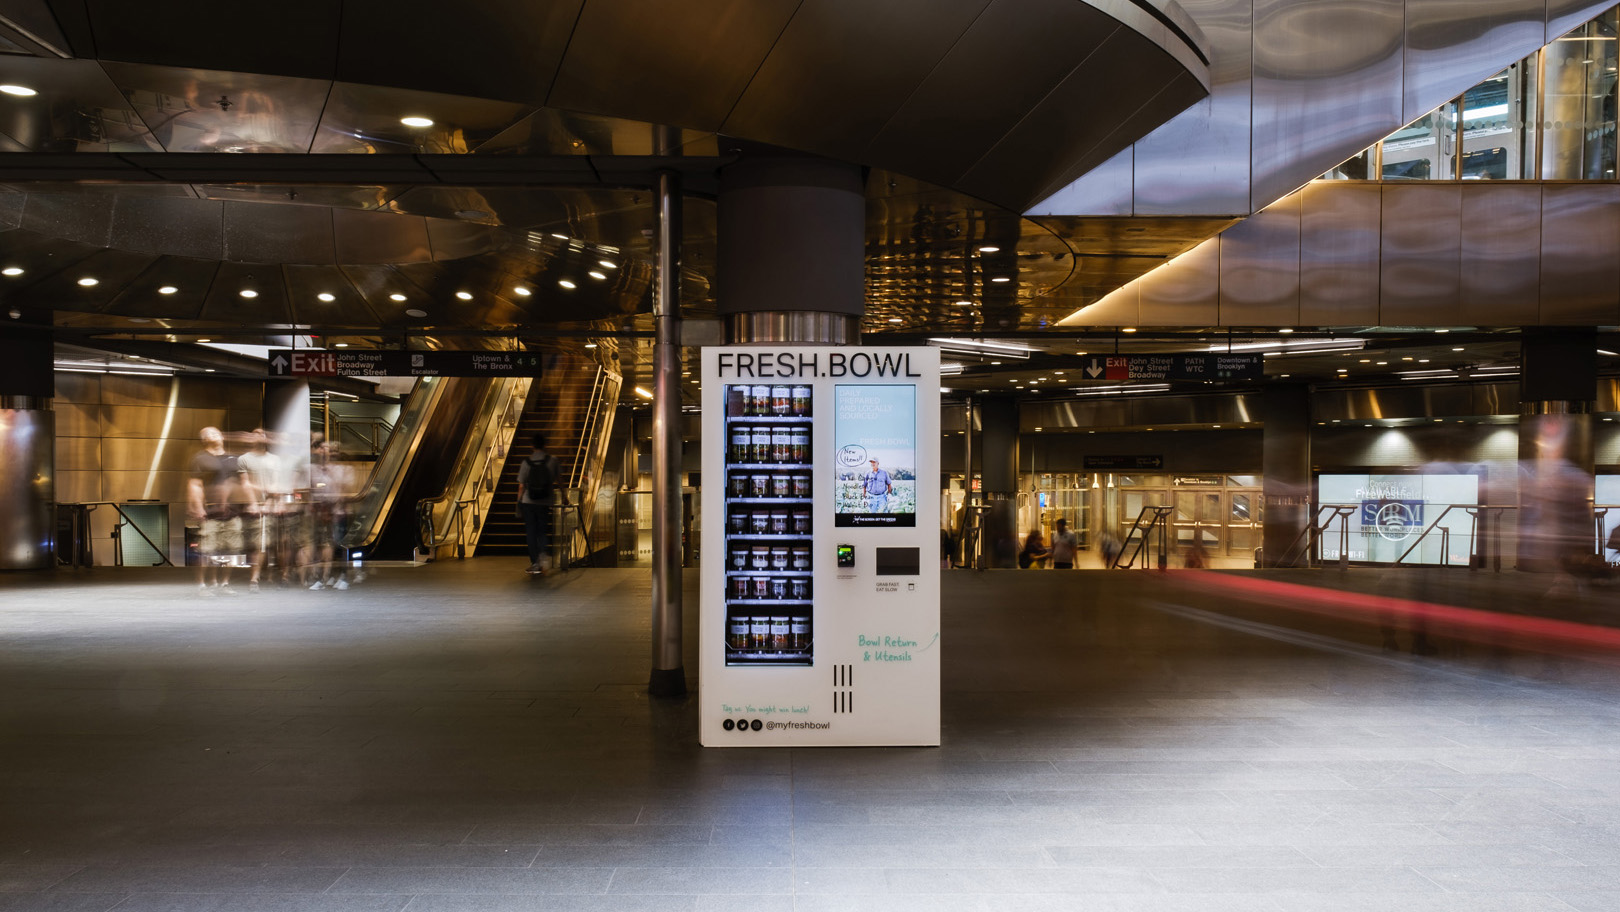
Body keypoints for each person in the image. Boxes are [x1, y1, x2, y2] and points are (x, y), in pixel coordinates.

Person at [187, 426, 244, 596]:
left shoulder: (234, 458)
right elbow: (194, 484)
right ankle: (202, 586)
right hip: (210, 513)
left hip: (232, 513)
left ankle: (224, 584)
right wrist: (197, 507)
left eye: (217, 432)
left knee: (231, 549)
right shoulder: (200, 458)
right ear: (204, 439)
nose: (215, 434)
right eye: (210, 433)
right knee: (206, 550)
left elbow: (242, 483)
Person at [236, 428, 284, 592]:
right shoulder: (244, 459)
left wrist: (274, 501)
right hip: (253, 507)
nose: (260, 436)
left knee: (268, 543)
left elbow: (276, 484)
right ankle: (257, 576)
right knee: (256, 543)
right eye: (256, 433)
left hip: (270, 506)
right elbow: (245, 484)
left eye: (263, 434)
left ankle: (263, 577)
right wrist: (254, 502)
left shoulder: (275, 459)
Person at [517, 432, 560, 575]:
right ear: (545, 445)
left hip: (529, 501)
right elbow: (560, 480)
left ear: (532, 446)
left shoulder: (526, 462)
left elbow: (522, 485)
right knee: (542, 530)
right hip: (545, 501)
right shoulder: (552, 460)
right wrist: (565, 496)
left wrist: (518, 502)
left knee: (531, 532)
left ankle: (535, 563)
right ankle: (543, 555)